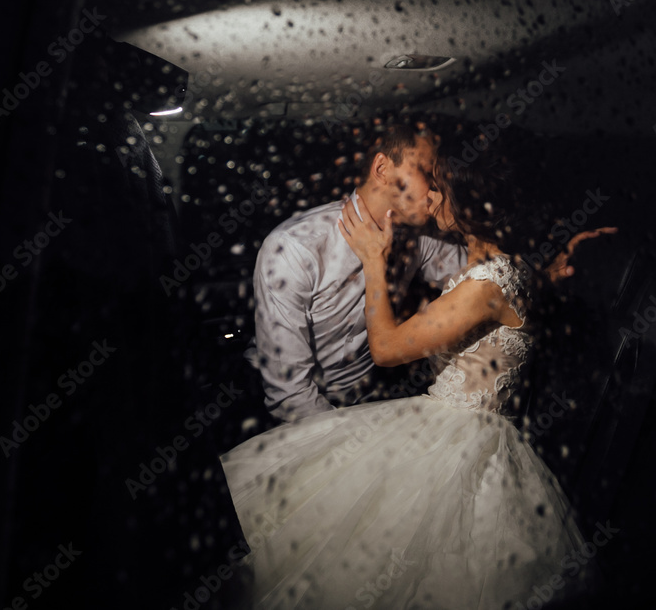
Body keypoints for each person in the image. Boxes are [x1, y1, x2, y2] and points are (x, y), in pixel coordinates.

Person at [219, 151, 616, 609]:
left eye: (441, 188)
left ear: (470, 206)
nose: (431, 195)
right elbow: (513, 296)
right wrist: (553, 270)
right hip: (440, 422)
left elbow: (386, 349)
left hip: (461, 437)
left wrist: (373, 260)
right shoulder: (506, 269)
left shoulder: (488, 283)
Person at [250, 124, 602, 422]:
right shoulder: (292, 249)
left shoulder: (421, 240)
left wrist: (545, 272)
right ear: (383, 169)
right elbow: (290, 394)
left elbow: (495, 280)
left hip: (375, 399)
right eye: (427, 174)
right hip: (311, 413)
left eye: (440, 181)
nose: (435, 192)